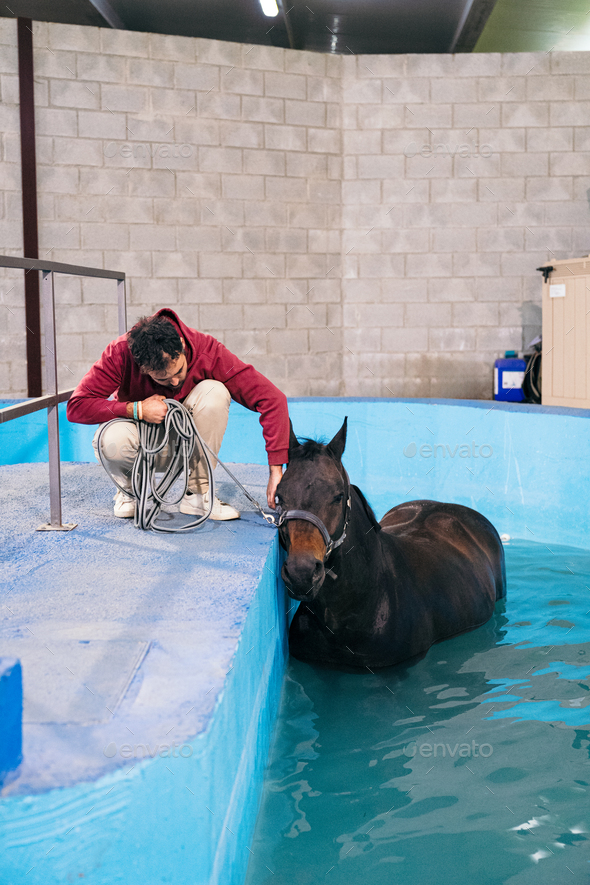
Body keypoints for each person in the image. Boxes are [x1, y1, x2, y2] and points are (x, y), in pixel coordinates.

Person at [66, 308, 289, 520]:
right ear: (142, 367)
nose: (174, 383)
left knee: (215, 392)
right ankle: (131, 490)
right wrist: (137, 409)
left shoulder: (207, 350)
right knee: (110, 439)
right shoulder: (120, 353)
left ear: (181, 346)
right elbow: (76, 406)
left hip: (185, 444)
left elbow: (272, 399)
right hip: (141, 443)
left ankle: (198, 494)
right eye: (162, 379)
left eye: (179, 371)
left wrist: (276, 470)